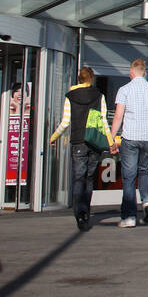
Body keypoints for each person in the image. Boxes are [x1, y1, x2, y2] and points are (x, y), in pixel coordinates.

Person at [50, 66, 114, 231]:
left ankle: (79, 214)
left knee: (78, 178)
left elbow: (65, 122)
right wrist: (110, 141)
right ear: (91, 79)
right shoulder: (99, 96)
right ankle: (86, 211)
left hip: (78, 141)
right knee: (89, 179)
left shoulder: (70, 96)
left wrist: (53, 137)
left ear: (79, 78)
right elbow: (104, 121)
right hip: (94, 142)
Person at [110, 58, 148, 228]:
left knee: (129, 176)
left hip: (131, 138)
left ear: (131, 72)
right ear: (145, 72)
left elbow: (118, 116)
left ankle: (129, 217)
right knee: (145, 171)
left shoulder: (124, 90)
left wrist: (111, 137)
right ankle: (147, 202)